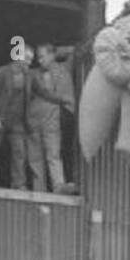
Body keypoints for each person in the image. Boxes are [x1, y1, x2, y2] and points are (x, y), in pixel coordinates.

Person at [27, 43, 76, 194]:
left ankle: (58, 186)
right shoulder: (32, 73)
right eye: (38, 57)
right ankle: (38, 189)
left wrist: (56, 51)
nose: (39, 60)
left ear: (51, 55)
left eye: (42, 56)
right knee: (35, 156)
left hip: (52, 118)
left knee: (53, 153)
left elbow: (73, 51)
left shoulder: (63, 69)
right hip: (34, 118)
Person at [0, 43, 32, 190]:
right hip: (0, 119)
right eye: (27, 59)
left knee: (19, 153)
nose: (29, 62)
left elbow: (41, 90)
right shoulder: (1, 73)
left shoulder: (28, 76)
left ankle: (18, 183)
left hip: (17, 121)